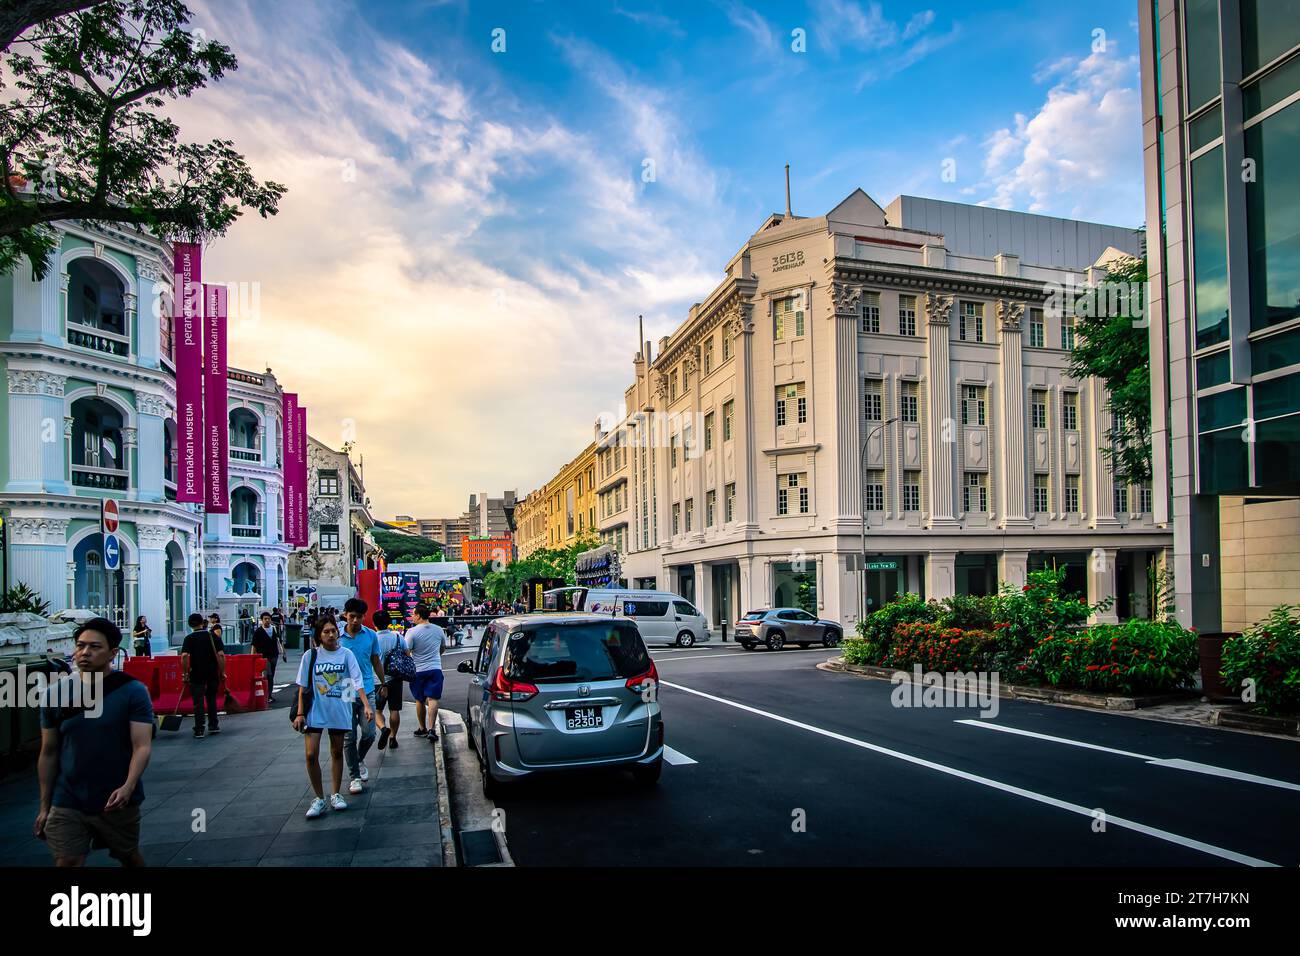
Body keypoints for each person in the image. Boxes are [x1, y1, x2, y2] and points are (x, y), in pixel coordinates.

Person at [35, 618, 154, 867]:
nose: (85, 653)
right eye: (80, 645)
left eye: (94, 647)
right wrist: (45, 806)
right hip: (67, 798)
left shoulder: (133, 691)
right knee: (67, 861)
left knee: (128, 856)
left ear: (113, 653)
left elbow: (141, 746)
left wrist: (128, 786)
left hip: (115, 797)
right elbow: (49, 752)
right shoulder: (54, 694)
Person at [293, 616, 372, 818]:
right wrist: (300, 713)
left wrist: (365, 704)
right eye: (326, 632)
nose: (331, 635)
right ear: (319, 635)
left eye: (333, 630)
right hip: (315, 711)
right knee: (311, 754)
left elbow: (357, 680)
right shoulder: (310, 656)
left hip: (340, 708)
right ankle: (319, 798)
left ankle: (335, 794)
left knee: (337, 752)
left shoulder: (346, 654)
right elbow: (303, 687)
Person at [338, 598, 383, 794]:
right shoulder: (337, 637)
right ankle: (354, 776)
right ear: (345, 615)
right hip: (345, 689)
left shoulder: (371, 636)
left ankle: (358, 758)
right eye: (352, 616)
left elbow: (375, 661)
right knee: (349, 736)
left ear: (364, 617)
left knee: (369, 733)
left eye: (359, 617)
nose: (355, 620)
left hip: (368, 687)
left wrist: (383, 682)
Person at [181, 612, 226, 738]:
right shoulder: (212, 636)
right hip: (212, 672)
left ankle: (199, 728)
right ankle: (213, 725)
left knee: (198, 702)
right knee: (211, 699)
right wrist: (222, 672)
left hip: (196, 673)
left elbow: (184, 656)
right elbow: (221, 655)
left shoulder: (189, 639)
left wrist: (185, 673)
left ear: (190, 624)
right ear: (202, 622)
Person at [405, 602, 445, 741]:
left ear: (418, 615)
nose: (412, 617)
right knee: (433, 698)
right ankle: (432, 729)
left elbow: (407, 651)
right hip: (435, 668)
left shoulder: (411, 632)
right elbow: (442, 647)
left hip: (418, 670)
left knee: (419, 699)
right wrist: (436, 657)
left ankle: (422, 728)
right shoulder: (439, 630)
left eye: (413, 614)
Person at [373, 611, 404, 750]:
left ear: (374, 624)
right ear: (389, 622)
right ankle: (393, 737)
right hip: (395, 678)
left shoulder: (372, 638)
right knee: (394, 709)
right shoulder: (397, 637)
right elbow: (407, 654)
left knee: (377, 710)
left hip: (376, 680)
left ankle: (383, 728)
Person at [251, 611, 283, 703]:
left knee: (271, 675)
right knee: (267, 675)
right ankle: (266, 695)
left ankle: (269, 694)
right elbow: (254, 645)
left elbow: (279, 641)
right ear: (262, 620)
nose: (267, 621)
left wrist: (283, 653)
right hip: (264, 656)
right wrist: (253, 657)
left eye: (268, 619)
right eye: (265, 619)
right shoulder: (258, 631)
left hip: (274, 655)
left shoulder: (274, 629)